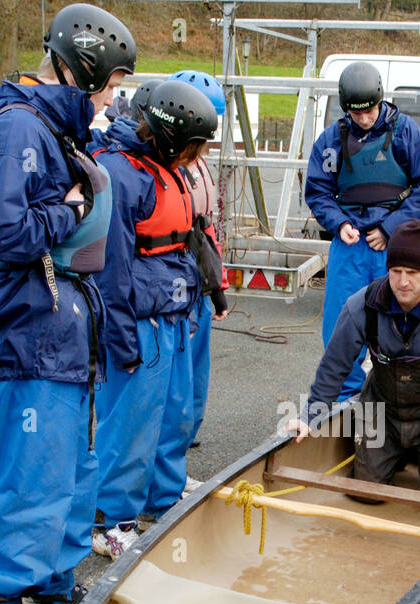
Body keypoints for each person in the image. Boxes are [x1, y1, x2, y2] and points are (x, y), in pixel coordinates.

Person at [0, 2, 134, 604]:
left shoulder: (56, 130)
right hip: (34, 322)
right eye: (112, 84)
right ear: (82, 69)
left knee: (69, 466)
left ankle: (51, 580)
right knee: (29, 473)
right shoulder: (17, 131)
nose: (115, 100)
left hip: (67, 321)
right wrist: (63, 213)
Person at [90, 80, 220, 558]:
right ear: (168, 138)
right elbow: (112, 268)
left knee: (175, 413)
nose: (195, 156)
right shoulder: (121, 175)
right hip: (140, 321)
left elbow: (186, 243)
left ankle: (161, 496)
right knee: (129, 425)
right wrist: (121, 341)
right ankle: (111, 519)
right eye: (192, 147)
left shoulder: (165, 169)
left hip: (172, 313)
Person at [284, 220, 420, 492]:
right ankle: (394, 454)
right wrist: (309, 416)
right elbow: (334, 367)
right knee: (366, 493)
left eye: (412, 272)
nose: (403, 282)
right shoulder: (361, 306)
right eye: (396, 271)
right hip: (381, 410)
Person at [305, 61, 420, 400]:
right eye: (356, 112)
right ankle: (343, 396)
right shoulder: (332, 139)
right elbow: (317, 190)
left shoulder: (405, 132)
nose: (363, 119)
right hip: (350, 243)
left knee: (400, 319)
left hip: (393, 245)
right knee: (341, 321)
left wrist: (390, 228)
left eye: (368, 111)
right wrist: (339, 223)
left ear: (380, 101)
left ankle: (398, 391)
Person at [166, 69, 230, 492]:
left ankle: (178, 458)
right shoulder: (169, 165)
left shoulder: (198, 163)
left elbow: (206, 232)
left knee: (192, 379)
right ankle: (164, 474)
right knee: (171, 388)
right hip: (175, 285)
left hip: (197, 282)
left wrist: (216, 286)